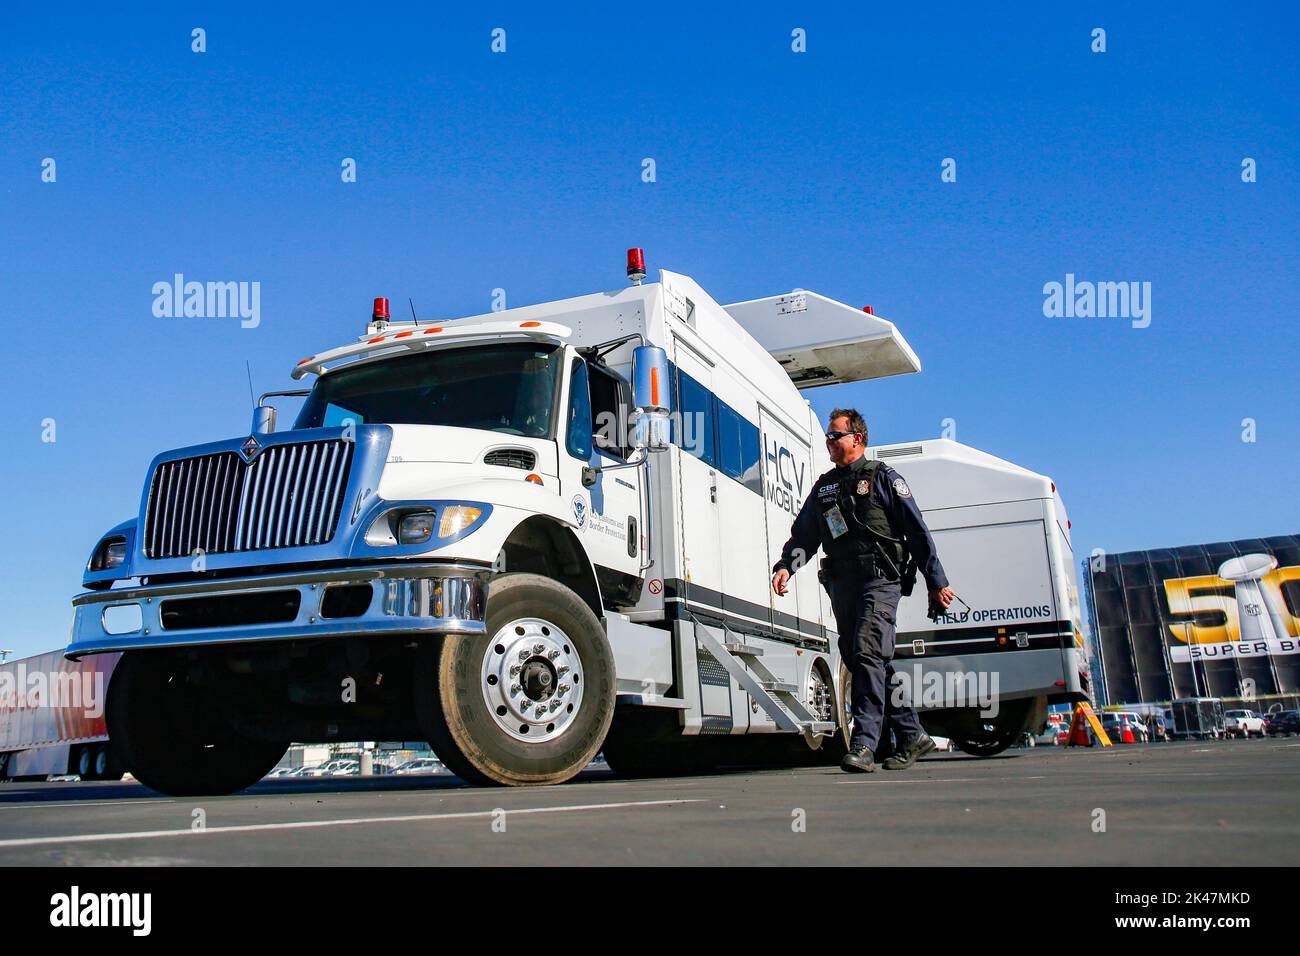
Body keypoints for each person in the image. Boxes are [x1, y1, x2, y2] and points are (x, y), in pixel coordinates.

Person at [771, 409, 954, 773]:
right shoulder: (823, 488)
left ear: (857, 438)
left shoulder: (883, 478)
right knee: (863, 660)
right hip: (842, 584)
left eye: (835, 435)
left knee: (869, 650)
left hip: (880, 580)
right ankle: (912, 733)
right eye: (827, 435)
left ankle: (864, 743)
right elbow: (805, 535)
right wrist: (785, 565)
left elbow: (917, 531)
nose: (829, 441)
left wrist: (937, 582)